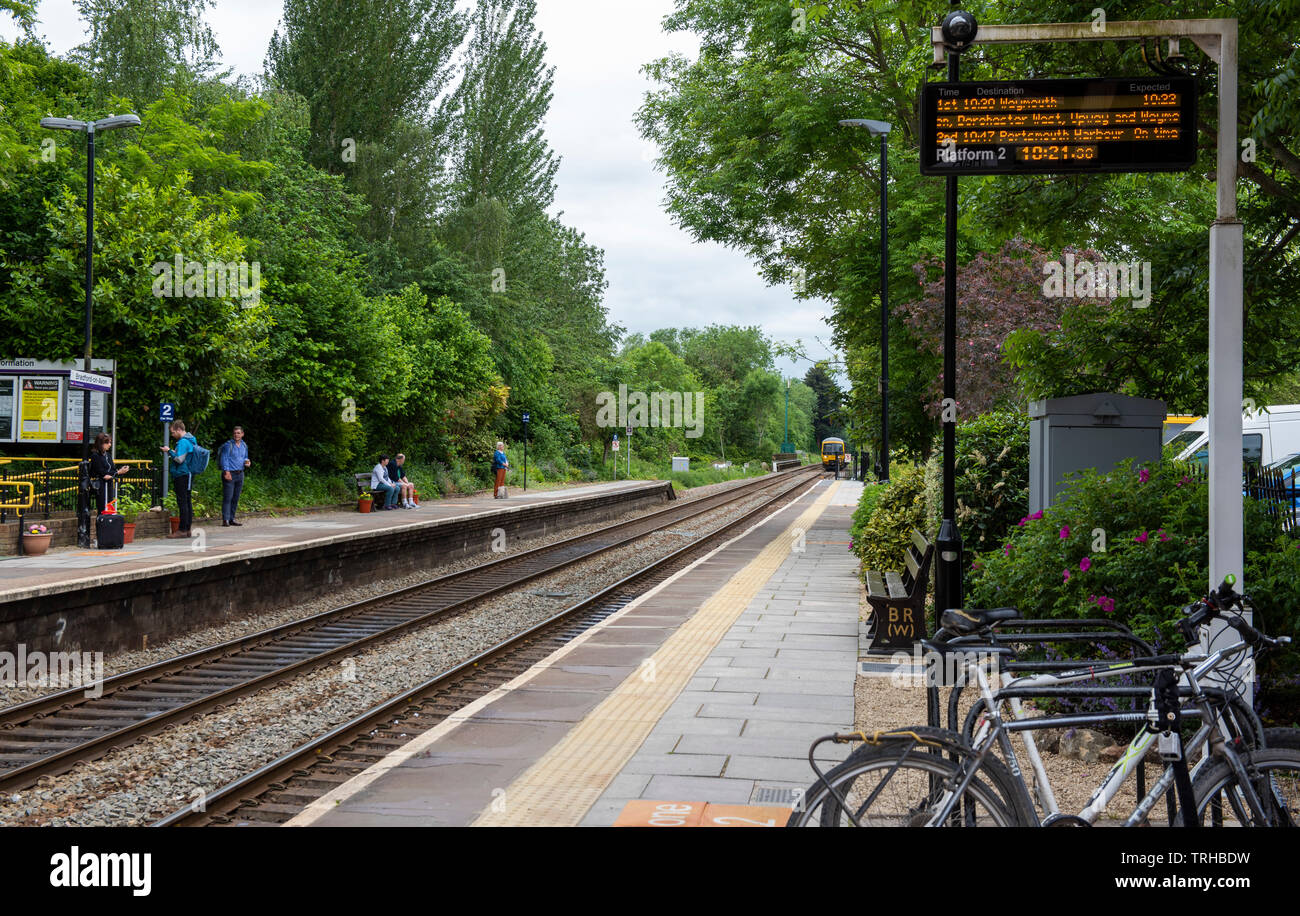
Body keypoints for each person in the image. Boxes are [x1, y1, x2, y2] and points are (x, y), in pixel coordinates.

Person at [160, 419, 196, 538]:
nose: (172, 435)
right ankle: (187, 529)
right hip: (188, 474)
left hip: (182, 474)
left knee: (182, 502)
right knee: (187, 501)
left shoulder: (183, 442)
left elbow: (179, 459)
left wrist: (169, 451)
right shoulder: (191, 440)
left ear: (179, 430)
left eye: (173, 432)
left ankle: (182, 530)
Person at [217, 425, 252, 527]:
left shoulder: (244, 445)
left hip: (240, 473)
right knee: (228, 497)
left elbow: (245, 457)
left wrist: (248, 462)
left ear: (242, 434)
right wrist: (226, 472)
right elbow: (224, 458)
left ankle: (232, 518)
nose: (236, 435)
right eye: (235, 433)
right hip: (230, 473)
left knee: (236, 498)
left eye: (238, 433)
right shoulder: (228, 445)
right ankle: (225, 520)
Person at [88, 432, 130, 514]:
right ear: (100, 443)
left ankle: (108, 524)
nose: (109, 445)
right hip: (101, 485)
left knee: (109, 505)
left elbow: (112, 469)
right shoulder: (95, 456)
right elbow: (102, 472)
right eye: (107, 443)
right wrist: (117, 472)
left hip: (109, 483)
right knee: (102, 508)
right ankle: (101, 524)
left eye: (110, 442)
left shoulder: (108, 455)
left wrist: (117, 472)